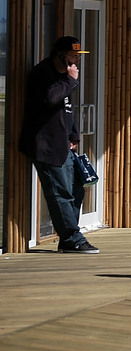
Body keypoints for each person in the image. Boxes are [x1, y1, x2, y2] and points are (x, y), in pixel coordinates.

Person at [19, 36, 97, 253]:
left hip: (64, 144)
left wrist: (74, 135)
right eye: (73, 56)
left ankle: (68, 237)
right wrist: (71, 81)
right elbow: (51, 98)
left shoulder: (64, 77)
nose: (76, 61)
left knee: (76, 190)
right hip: (46, 145)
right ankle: (72, 238)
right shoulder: (43, 73)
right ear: (60, 56)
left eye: (78, 56)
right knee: (60, 193)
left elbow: (67, 109)